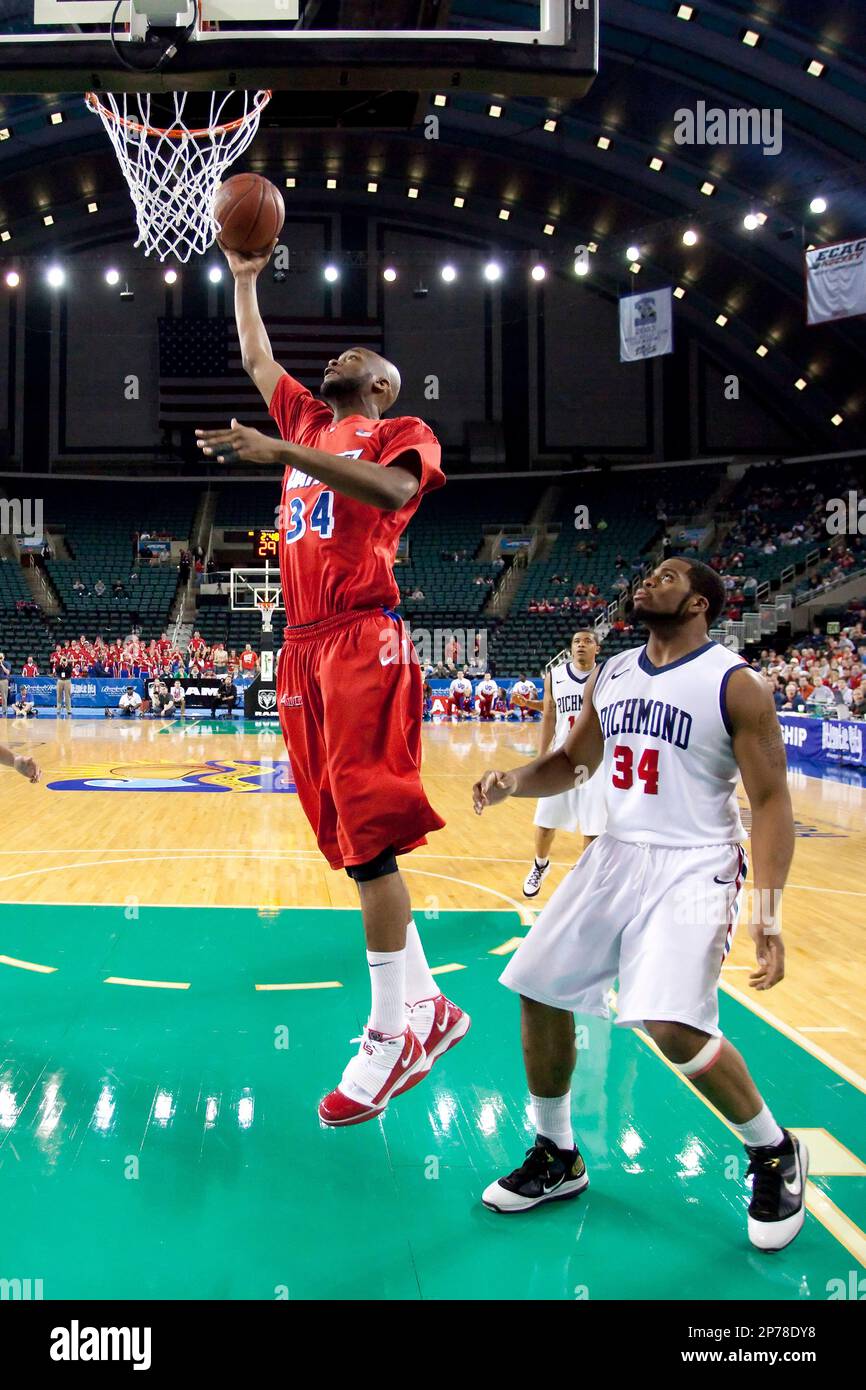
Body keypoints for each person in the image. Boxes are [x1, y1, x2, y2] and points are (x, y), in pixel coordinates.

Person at [195, 237, 467, 1129]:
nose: (343, 354)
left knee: (373, 833)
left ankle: (390, 1034)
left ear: (384, 384)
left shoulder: (398, 432)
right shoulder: (308, 422)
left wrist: (277, 449)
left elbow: (389, 495)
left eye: (362, 355)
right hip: (301, 646)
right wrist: (243, 278)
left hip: (362, 638)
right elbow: (255, 355)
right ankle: (430, 1009)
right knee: (348, 839)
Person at [472, 557, 806, 1253]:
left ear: (700, 606)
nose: (648, 582)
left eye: (668, 576)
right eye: (648, 574)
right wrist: (514, 780)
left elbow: (772, 801)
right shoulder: (615, 670)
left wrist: (769, 914)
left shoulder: (735, 685)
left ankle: (773, 1150)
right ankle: (558, 1154)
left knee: (670, 1022)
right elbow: (573, 762)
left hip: (694, 862)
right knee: (537, 985)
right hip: (615, 851)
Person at [521, 630, 607, 899]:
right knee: (545, 822)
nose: (581, 645)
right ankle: (540, 865)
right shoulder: (555, 675)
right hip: (561, 759)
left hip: (595, 760)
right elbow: (549, 714)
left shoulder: (607, 676)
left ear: (597, 648)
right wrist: (541, 755)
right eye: (576, 641)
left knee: (593, 826)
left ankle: (585, 878)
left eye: (587, 641)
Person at [55, 651, 74, 719]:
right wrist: (60, 664)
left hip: (67, 680)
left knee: (67, 696)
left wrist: (66, 665)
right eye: (62, 659)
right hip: (60, 680)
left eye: (64, 659)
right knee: (59, 695)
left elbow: (70, 671)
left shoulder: (69, 664)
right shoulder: (59, 664)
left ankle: (68, 710)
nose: (64, 660)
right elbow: (57, 670)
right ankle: (58, 709)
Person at [0, 652, 9, 716]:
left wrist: (1, 665)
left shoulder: (6, 664)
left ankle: (4, 711)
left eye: (1, 657)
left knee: (4, 696)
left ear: (4, 657)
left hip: (3, 680)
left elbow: (7, 672)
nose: (0, 658)